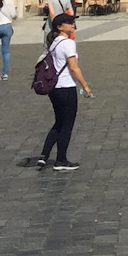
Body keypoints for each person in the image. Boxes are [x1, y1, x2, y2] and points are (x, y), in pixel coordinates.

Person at [37, 15, 92, 170]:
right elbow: (74, 67)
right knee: (67, 124)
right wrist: (85, 86)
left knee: (59, 122)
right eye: (69, 23)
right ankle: (61, 160)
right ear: (60, 27)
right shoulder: (68, 43)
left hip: (54, 88)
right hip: (66, 87)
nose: (73, 25)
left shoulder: (54, 42)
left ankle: (44, 155)